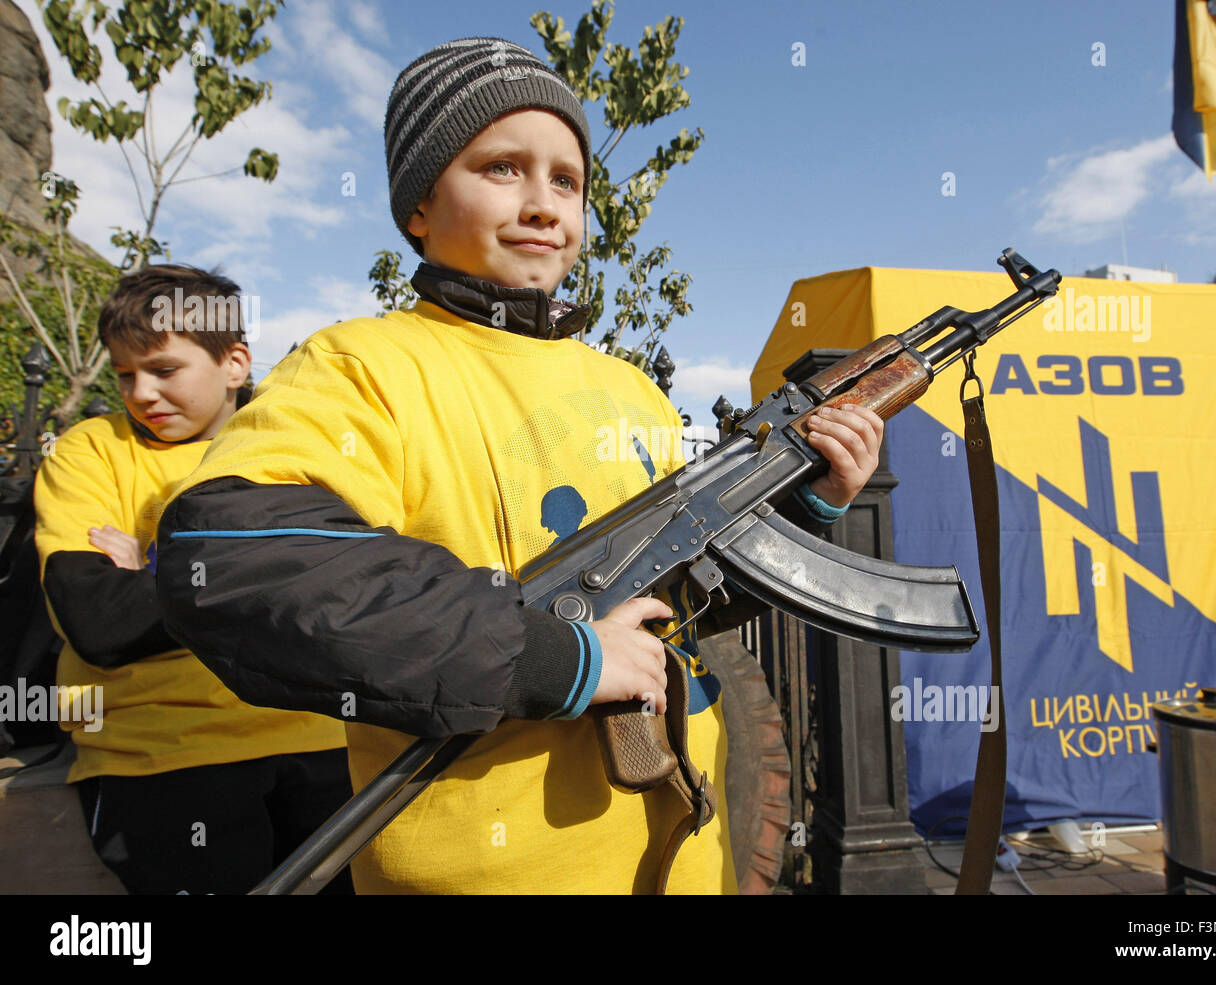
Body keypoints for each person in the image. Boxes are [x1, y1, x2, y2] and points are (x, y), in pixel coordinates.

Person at [155, 38, 883, 894]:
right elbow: (235, 554)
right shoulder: (362, 367)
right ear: (419, 204)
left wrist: (811, 510)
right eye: (503, 168)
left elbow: (687, 599)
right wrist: (555, 657)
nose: (544, 205)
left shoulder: (632, 390)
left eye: (567, 181)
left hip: (689, 859)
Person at [33, 264, 353, 894]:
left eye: (163, 370)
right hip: (162, 754)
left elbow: (349, 582)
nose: (140, 393)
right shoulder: (89, 450)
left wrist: (156, 571)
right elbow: (99, 620)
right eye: (124, 373)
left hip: (321, 737)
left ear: (235, 363)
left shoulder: (292, 443)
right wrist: (275, 570)